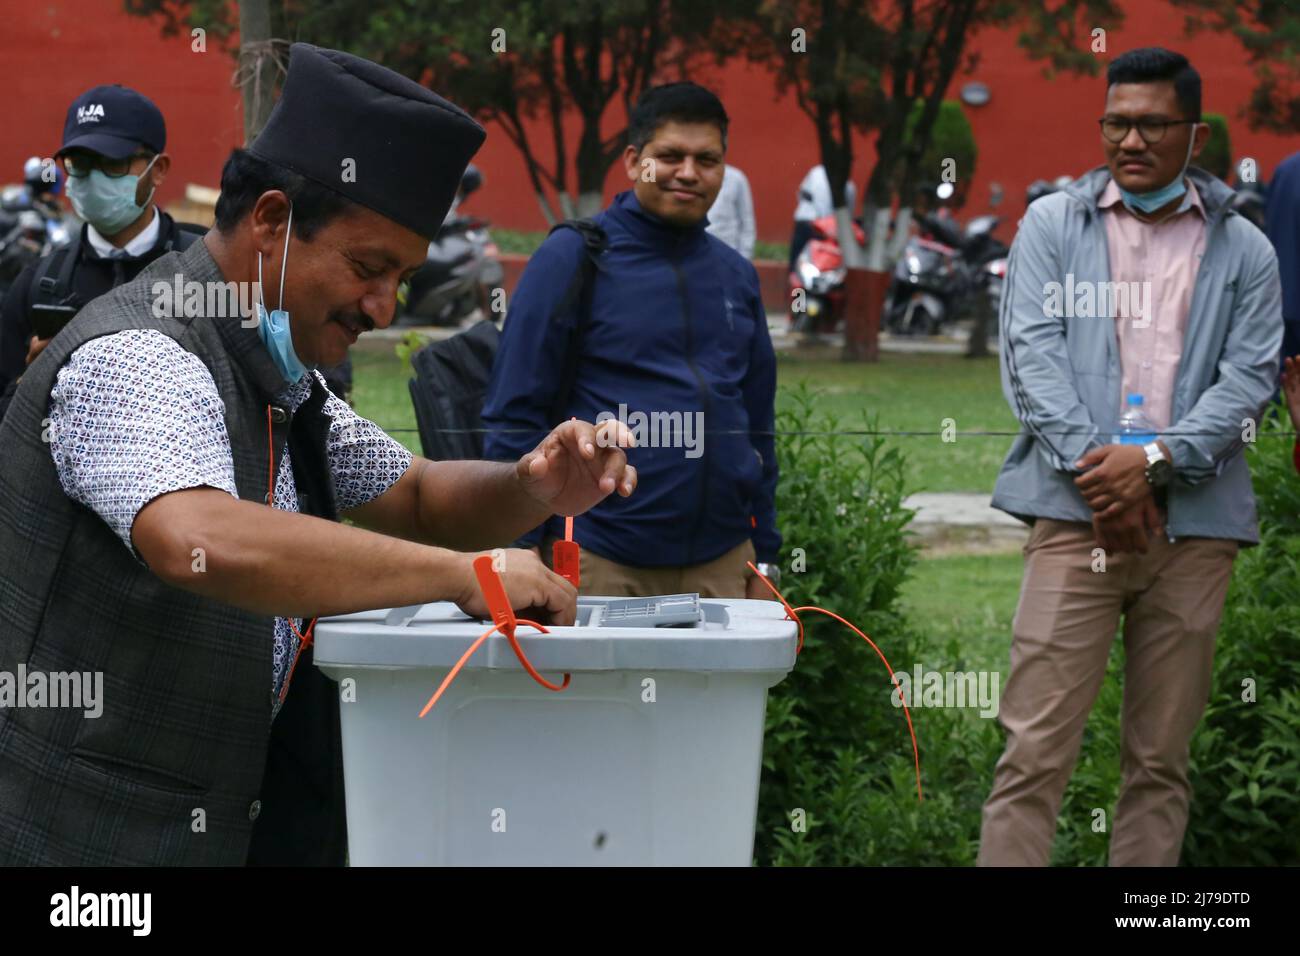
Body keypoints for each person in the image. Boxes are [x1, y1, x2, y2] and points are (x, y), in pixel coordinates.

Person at [0, 43, 636, 866]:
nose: (382, 304)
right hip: (82, 841)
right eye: (369, 268)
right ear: (270, 221)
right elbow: (201, 539)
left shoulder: (275, 368)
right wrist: (469, 575)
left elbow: (414, 497)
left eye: (401, 278)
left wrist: (534, 483)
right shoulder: (141, 354)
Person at [981, 47, 1282, 866]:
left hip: (1194, 534)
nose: (1131, 140)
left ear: (1196, 133)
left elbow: (1247, 380)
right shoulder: (1051, 224)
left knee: (1159, 761)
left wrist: (1154, 464)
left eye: (1152, 124)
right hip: (1074, 524)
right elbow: (1031, 359)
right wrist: (1108, 481)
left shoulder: (1246, 249)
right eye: (1116, 122)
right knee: (1032, 751)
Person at [482, 82, 780, 599]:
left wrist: (768, 552)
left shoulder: (735, 276)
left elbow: (758, 427)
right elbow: (514, 408)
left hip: (725, 562)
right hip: (600, 559)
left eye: (707, 159)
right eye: (669, 156)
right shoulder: (574, 258)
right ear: (632, 161)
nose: (688, 172)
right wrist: (518, 541)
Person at [0, 85, 201, 424]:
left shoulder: (206, 268)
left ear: (159, 169)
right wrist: (30, 382)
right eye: (80, 163)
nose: (93, 178)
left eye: (113, 163)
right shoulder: (39, 282)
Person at [788, 163, 854, 274]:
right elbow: (848, 214)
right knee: (820, 267)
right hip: (824, 229)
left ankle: (796, 290)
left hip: (806, 221)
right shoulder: (848, 185)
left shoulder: (816, 171)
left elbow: (802, 193)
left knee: (796, 268)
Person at [706, 163, 756, 259]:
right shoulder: (694, 176)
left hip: (729, 252)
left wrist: (745, 256)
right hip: (698, 253)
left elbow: (747, 220)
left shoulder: (736, 178)